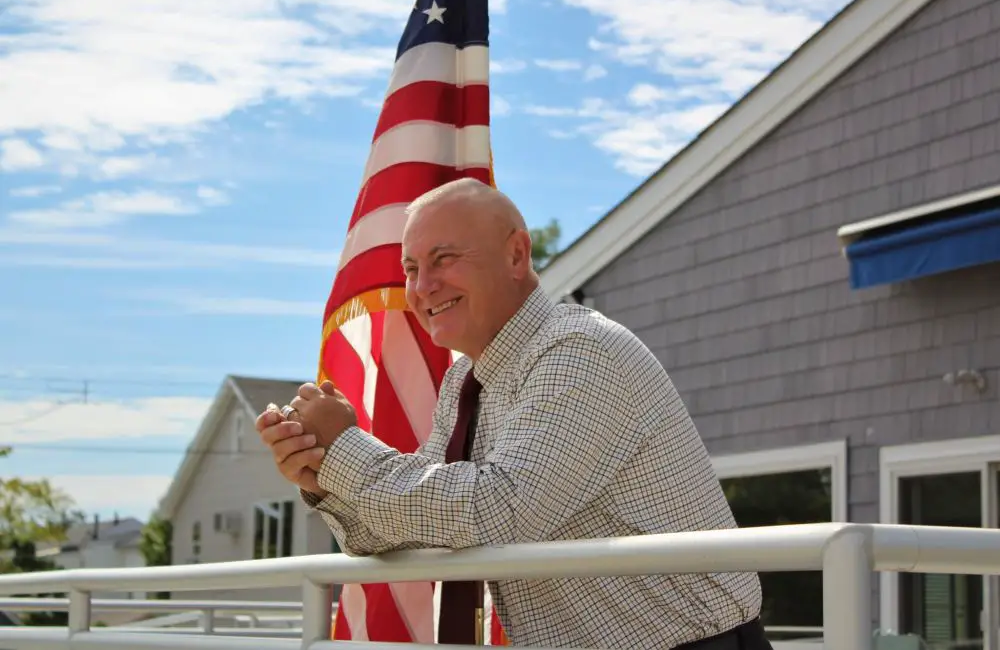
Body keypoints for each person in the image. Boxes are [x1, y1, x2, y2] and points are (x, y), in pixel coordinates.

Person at [256, 178, 771, 649]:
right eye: (411, 268)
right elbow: (422, 526)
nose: (422, 286)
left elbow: (497, 513)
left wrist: (347, 451)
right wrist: (323, 474)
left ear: (517, 254)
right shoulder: (465, 382)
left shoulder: (580, 350)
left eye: (445, 258)